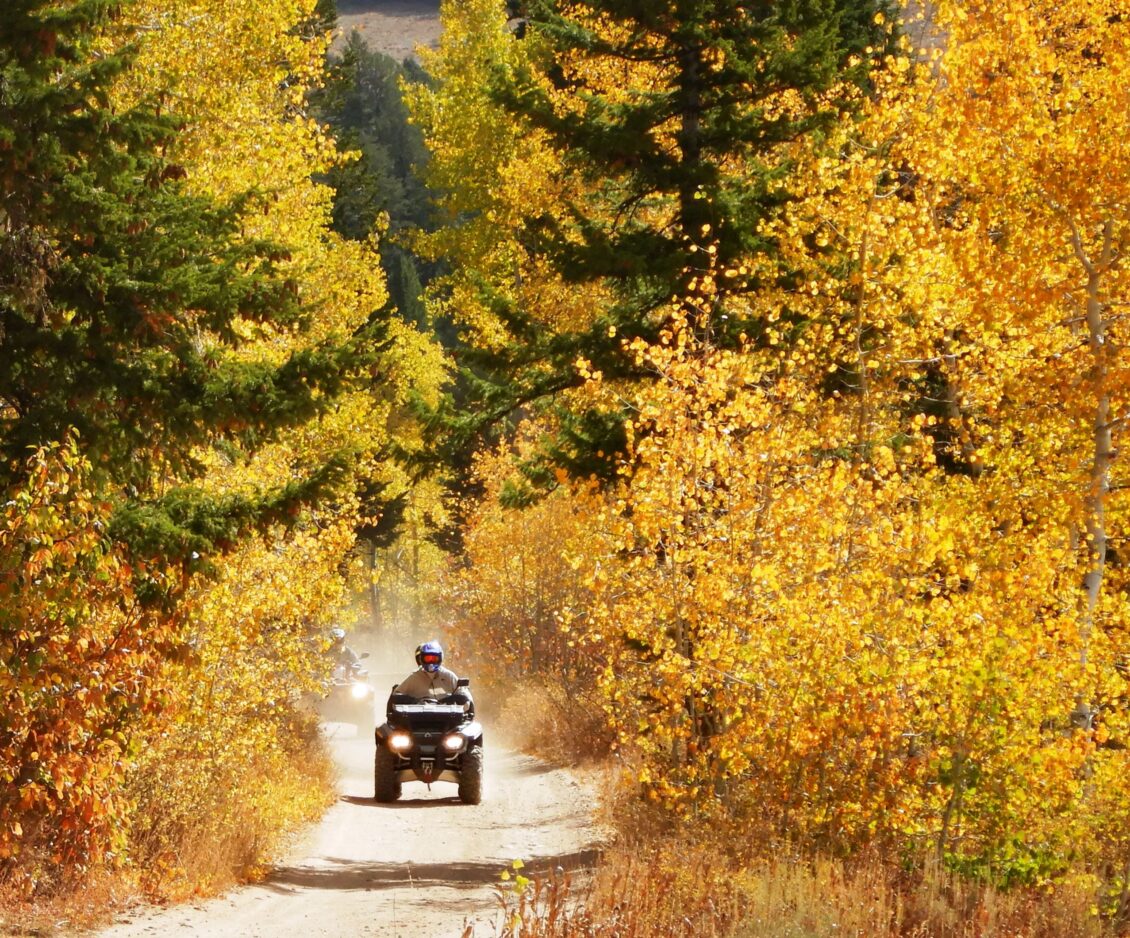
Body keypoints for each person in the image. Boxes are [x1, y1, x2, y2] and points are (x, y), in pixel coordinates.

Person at [393, 640, 472, 707]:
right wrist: (414, 701)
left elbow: (465, 697)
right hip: (418, 718)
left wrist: (455, 700)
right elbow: (396, 695)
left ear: (440, 658)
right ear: (421, 659)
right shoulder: (414, 677)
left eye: (434, 659)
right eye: (427, 659)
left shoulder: (449, 676)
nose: (431, 662)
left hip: (448, 718)